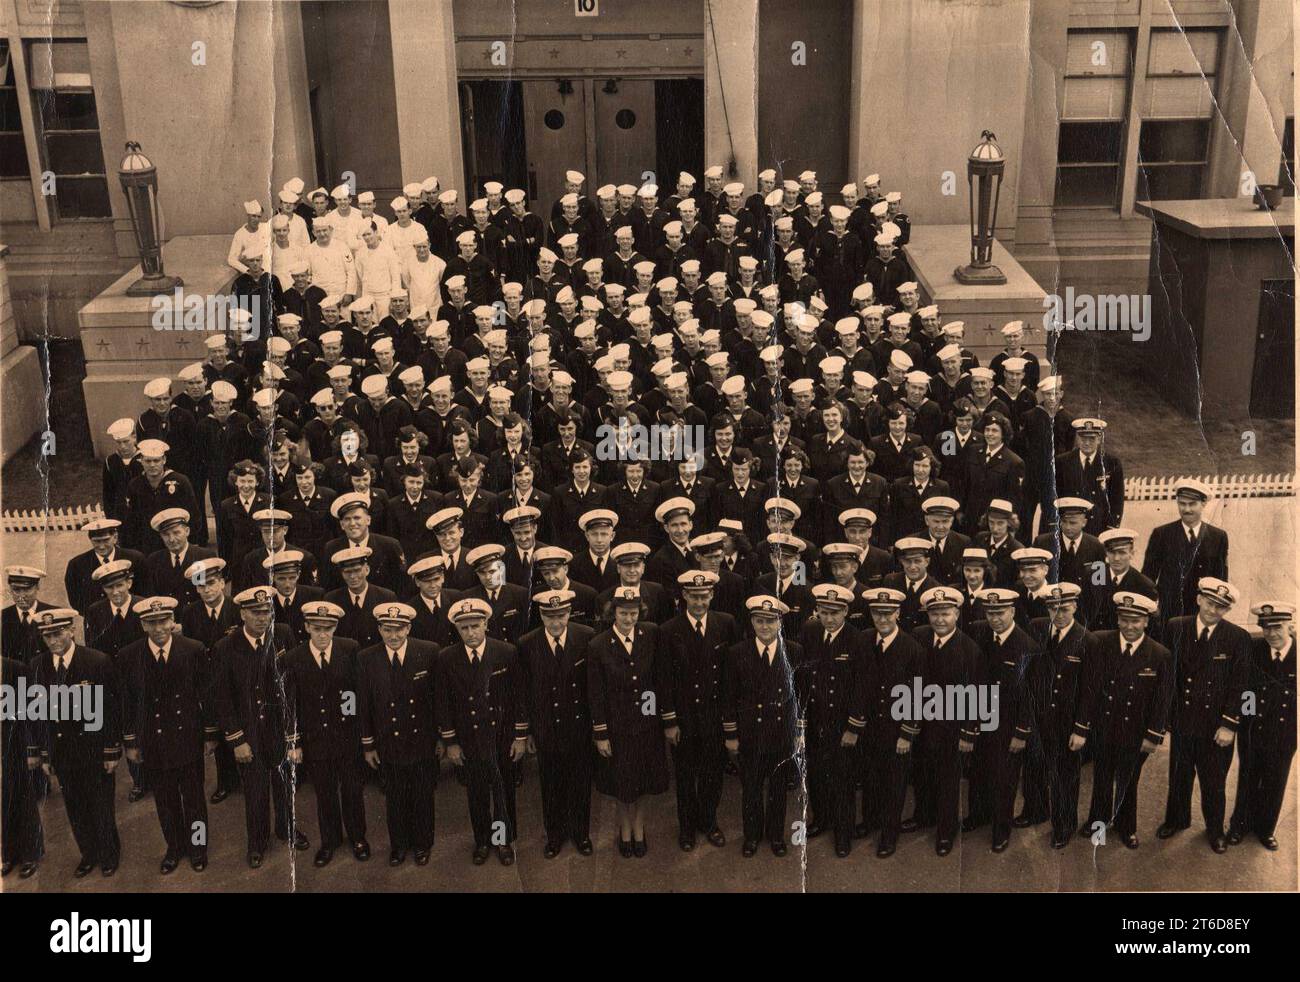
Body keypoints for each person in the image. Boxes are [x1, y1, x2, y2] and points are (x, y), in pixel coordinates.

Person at [118, 596, 219, 874]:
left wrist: (210, 734)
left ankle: (198, 848)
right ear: (143, 625)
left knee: (194, 799)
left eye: (163, 620)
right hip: (154, 740)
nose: (159, 627)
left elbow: (207, 694)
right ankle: (174, 848)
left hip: (186, 737)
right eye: (152, 622)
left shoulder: (193, 649)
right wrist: (131, 742)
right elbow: (127, 702)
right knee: (165, 801)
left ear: (172, 621)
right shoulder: (129, 656)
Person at [213, 586, 306, 869]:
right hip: (249, 731)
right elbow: (222, 698)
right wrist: (236, 739)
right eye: (255, 612)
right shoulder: (225, 647)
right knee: (254, 790)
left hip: (279, 728)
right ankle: (257, 842)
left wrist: (293, 738)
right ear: (242, 613)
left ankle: (287, 829)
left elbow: (293, 687)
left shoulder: (284, 635)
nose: (262, 617)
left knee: (284, 785)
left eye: (266, 611)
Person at [1157, 578, 1250, 853]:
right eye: (1209, 602)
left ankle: (1215, 830)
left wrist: (1229, 725)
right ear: (1198, 599)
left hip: (1215, 726)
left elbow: (1240, 686)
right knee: (1179, 776)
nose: (1212, 610)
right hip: (1183, 719)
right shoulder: (1176, 627)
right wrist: (1164, 719)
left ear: (1227, 610)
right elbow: (1166, 676)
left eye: (1220, 607)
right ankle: (1176, 819)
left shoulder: (1238, 638)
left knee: (1213, 782)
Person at [1073, 592, 1172, 850]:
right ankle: (1097, 823)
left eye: (1136, 620)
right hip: (1104, 727)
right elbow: (1089, 687)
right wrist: (1083, 727)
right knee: (1102, 777)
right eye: (1125, 619)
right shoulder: (1100, 643)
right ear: (1118, 618)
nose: (1129, 626)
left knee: (1129, 780)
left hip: (1136, 732)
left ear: (1146, 622)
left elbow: (1163, 700)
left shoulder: (1159, 655)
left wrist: (1153, 735)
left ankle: (1127, 827)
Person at [28, 609, 122, 878]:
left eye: (58, 633)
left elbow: (111, 709)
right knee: (75, 806)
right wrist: (45, 754)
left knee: (101, 805)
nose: (54, 640)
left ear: (71, 631)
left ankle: (108, 854)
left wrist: (111, 749)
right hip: (62, 752)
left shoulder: (96, 661)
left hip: (93, 749)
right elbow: (39, 716)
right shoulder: (38, 666)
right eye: (47, 635)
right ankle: (88, 854)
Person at [435, 598, 529, 866]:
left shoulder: (506, 652)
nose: (471, 633)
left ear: (486, 624)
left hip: (501, 738)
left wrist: (519, 737)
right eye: (464, 629)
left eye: (475, 626)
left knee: (503, 794)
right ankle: (482, 841)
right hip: (469, 739)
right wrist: (451, 742)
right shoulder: (447, 658)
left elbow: (518, 697)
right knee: (476, 794)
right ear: (457, 630)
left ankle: (502, 840)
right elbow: (443, 704)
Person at [589, 586, 676, 857]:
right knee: (622, 784)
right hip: (617, 727)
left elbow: (659, 679)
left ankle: (639, 829)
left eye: (634, 613)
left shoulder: (651, 634)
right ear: (612, 613)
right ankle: (624, 830)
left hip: (645, 725)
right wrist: (601, 733)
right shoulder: (598, 644)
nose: (629, 619)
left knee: (643, 783)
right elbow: (596, 692)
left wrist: (657, 717)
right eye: (623, 613)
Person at [660, 571, 739, 851]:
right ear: (684, 596)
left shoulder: (726, 623)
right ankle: (687, 828)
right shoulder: (669, 630)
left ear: (712, 595)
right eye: (693, 596)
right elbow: (664, 678)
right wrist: (669, 721)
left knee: (712, 774)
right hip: (683, 718)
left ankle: (709, 822)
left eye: (704, 596)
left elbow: (731, 675)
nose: (699, 601)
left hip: (713, 717)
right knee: (684, 776)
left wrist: (730, 721)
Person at [358, 601, 439, 867]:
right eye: (387, 629)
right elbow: (363, 704)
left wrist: (441, 738)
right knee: (395, 797)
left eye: (400, 629)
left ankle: (422, 844)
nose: (393, 636)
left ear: (409, 628)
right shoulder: (366, 658)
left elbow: (438, 700)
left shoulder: (428, 652)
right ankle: (399, 845)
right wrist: (368, 744)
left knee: (422, 795)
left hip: (421, 740)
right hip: (388, 741)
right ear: (379, 629)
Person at [517, 590, 595, 858]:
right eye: (550, 616)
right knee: (551, 786)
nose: (556, 622)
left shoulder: (586, 637)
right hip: (547, 727)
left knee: (580, 784)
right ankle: (555, 836)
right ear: (541, 615)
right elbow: (524, 691)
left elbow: (592, 687)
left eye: (561, 615)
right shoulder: (527, 644)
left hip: (579, 726)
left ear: (569, 613)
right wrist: (526, 730)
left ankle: (581, 833)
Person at [722, 595, 803, 857]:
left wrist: (798, 732)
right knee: (752, 790)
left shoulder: (793, 650)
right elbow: (729, 697)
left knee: (778, 790)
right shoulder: (737, 653)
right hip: (750, 734)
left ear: (780, 622)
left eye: (770, 621)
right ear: (752, 622)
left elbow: (800, 696)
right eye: (759, 621)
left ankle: (776, 836)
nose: (765, 627)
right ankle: (752, 836)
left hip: (781, 734)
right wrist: (731, 735)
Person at [908, 586, 982, 856]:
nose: (940, 620)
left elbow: (975, 693)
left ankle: (945, 831)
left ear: (957, 614)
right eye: (935, 613)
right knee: (922, 774)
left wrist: (968, 733)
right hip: (923, 723)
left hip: (951, 727)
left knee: (948, 781)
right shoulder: (918, 637)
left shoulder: (969, 648)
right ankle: (922, 815)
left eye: (946, 613)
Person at [800, 583, 866, 858]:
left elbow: (863, 686)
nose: (829, 618)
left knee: (842, 779)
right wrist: (802, 723)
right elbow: (802, 678)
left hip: (842, 723)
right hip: (816, 719)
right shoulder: (810, 632)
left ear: (846, 612)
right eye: (824, 612)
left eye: (835, 613)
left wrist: (853, 726)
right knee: (816, 774)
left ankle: (843, 832)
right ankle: (822, 819)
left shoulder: (857, 639)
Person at [1026, 583, 1092, 848]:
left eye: (1064, 608)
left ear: (1075, 606)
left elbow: (1089, 690)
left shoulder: (1087, 640)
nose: (1058, 613)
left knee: (1065, 776)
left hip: (1067, 721)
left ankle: (1064, 825)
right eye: (1052, 607)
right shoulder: (1037, 628)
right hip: (1040, 716)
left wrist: (1081, 728)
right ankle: (1036, 811)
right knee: (1036, 768)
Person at [1229, 601, 1296, 851]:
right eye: (1265, 627)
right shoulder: (1255, 649)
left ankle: (1266, 830)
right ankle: (1239, 826)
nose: (1271, 633)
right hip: (1254, 730)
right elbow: (1246, 688)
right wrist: (1247, 720)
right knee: (1247, 778)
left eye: (1277, 627)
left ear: (1290, 626)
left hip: (1285, 733)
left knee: (1275, 781)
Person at [1141, 479, 1229, 622]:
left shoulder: (1218, 536)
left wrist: (1217, 608)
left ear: (1204, 504)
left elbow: (1221, 577)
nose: (1187, 509)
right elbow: (1148, 575)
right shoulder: (1162, 534)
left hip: (1202, 611)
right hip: (1169, 610)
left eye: (1192, 504)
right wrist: (1152, 605)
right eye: (1182, 504)